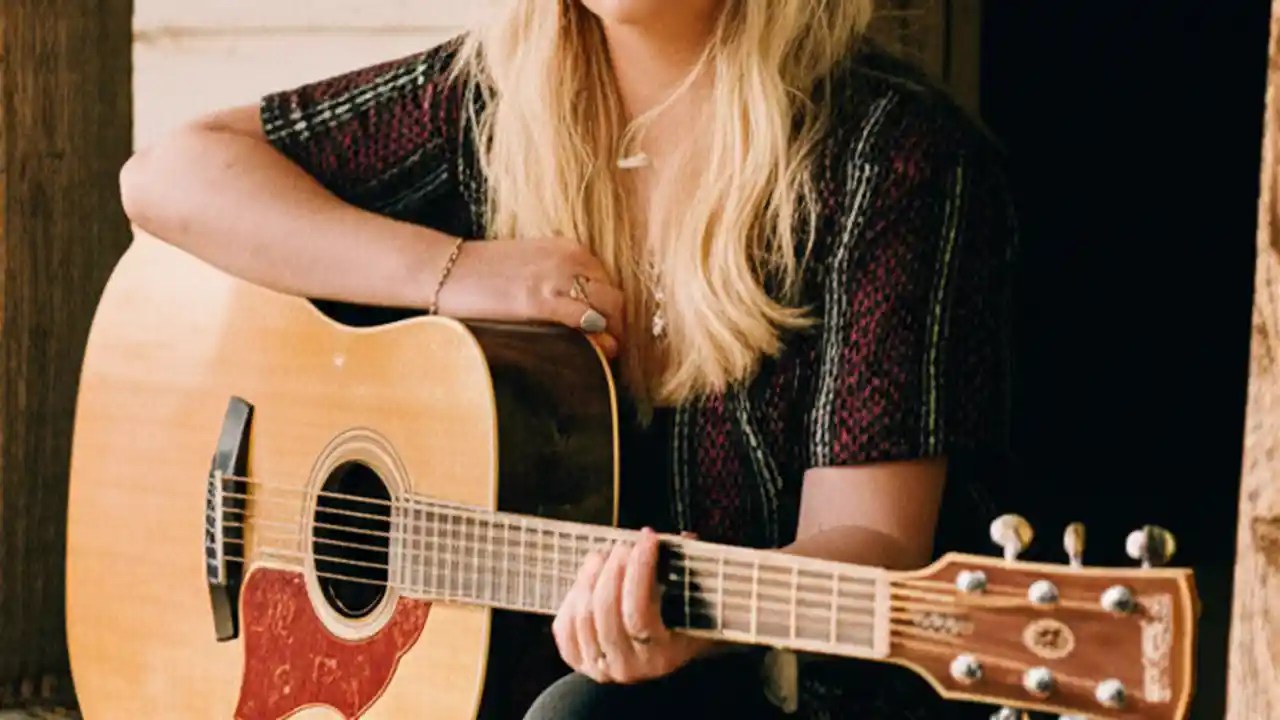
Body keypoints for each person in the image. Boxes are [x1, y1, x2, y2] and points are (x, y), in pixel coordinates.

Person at [119, 0, 1018, 717]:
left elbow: (878, 546)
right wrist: (455, 274)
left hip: (791, 690)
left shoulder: (889, 155)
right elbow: (170, 175)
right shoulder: (489, 102)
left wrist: (694, 626)